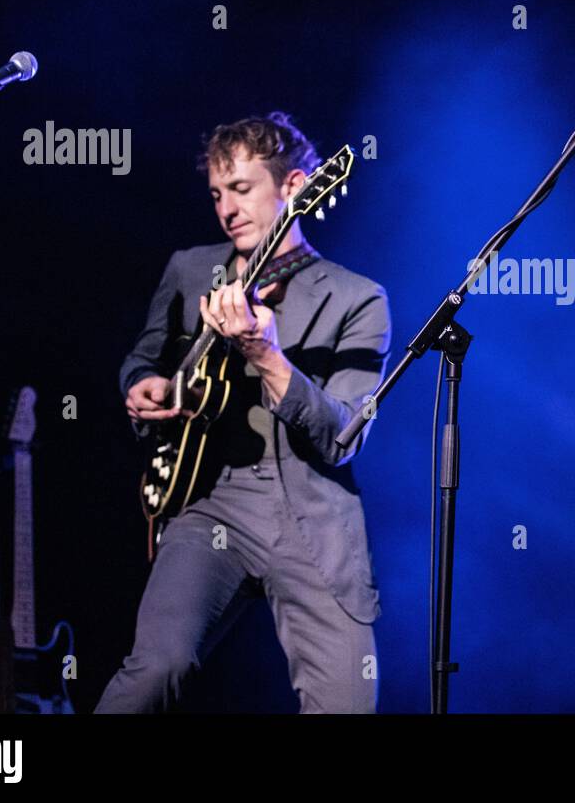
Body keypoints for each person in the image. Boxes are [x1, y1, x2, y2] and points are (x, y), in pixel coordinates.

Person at [96, 112, 391, 713]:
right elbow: (141, 358)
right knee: (156, 669)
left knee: (348, 705)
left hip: (310, 515)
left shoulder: (358, 298)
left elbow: (344, 436)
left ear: (296, 187)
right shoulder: (187, 269)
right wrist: (142, 386)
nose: (226, 208)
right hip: (209, 502)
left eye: (242, 189)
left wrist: (264, 352)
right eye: (216, 194)